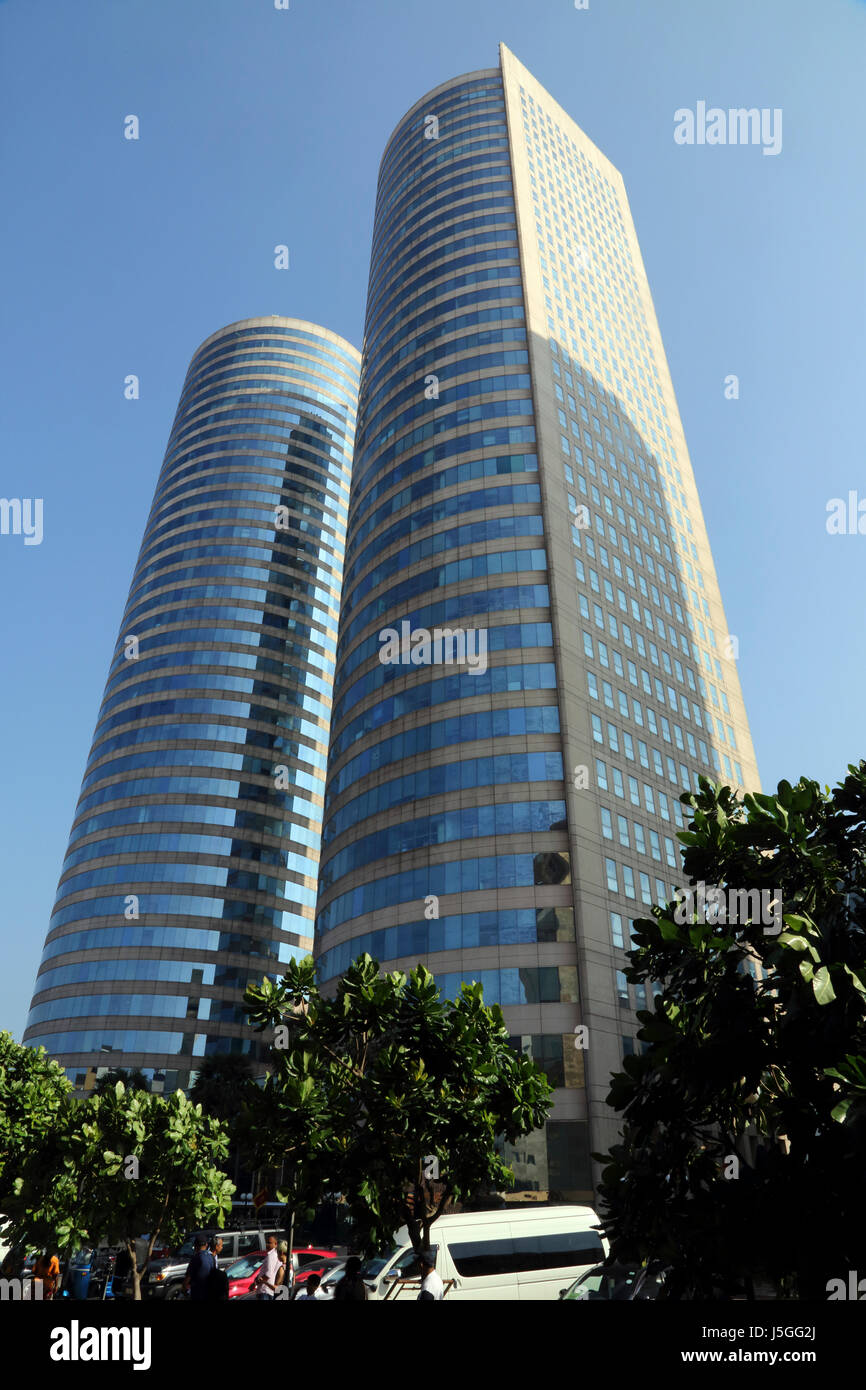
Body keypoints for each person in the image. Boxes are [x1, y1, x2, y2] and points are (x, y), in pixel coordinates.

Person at [184, 1236, 216, 1302]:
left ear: (195, 1246)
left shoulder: (196, 1258)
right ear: (206, 1245)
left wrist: (183, 1289)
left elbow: (188, 1277)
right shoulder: (211, 1257)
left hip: (197, 1293)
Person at [253, 1234, 281, 1300]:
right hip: (268, 1290)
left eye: (269, 1243)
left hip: (264, 1290)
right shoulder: (275, 1255)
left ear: (275, 1244)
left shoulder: (271, 1255)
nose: (267, 1245)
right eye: (266, 1242)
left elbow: (268, 1274)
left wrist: (256, 1282)